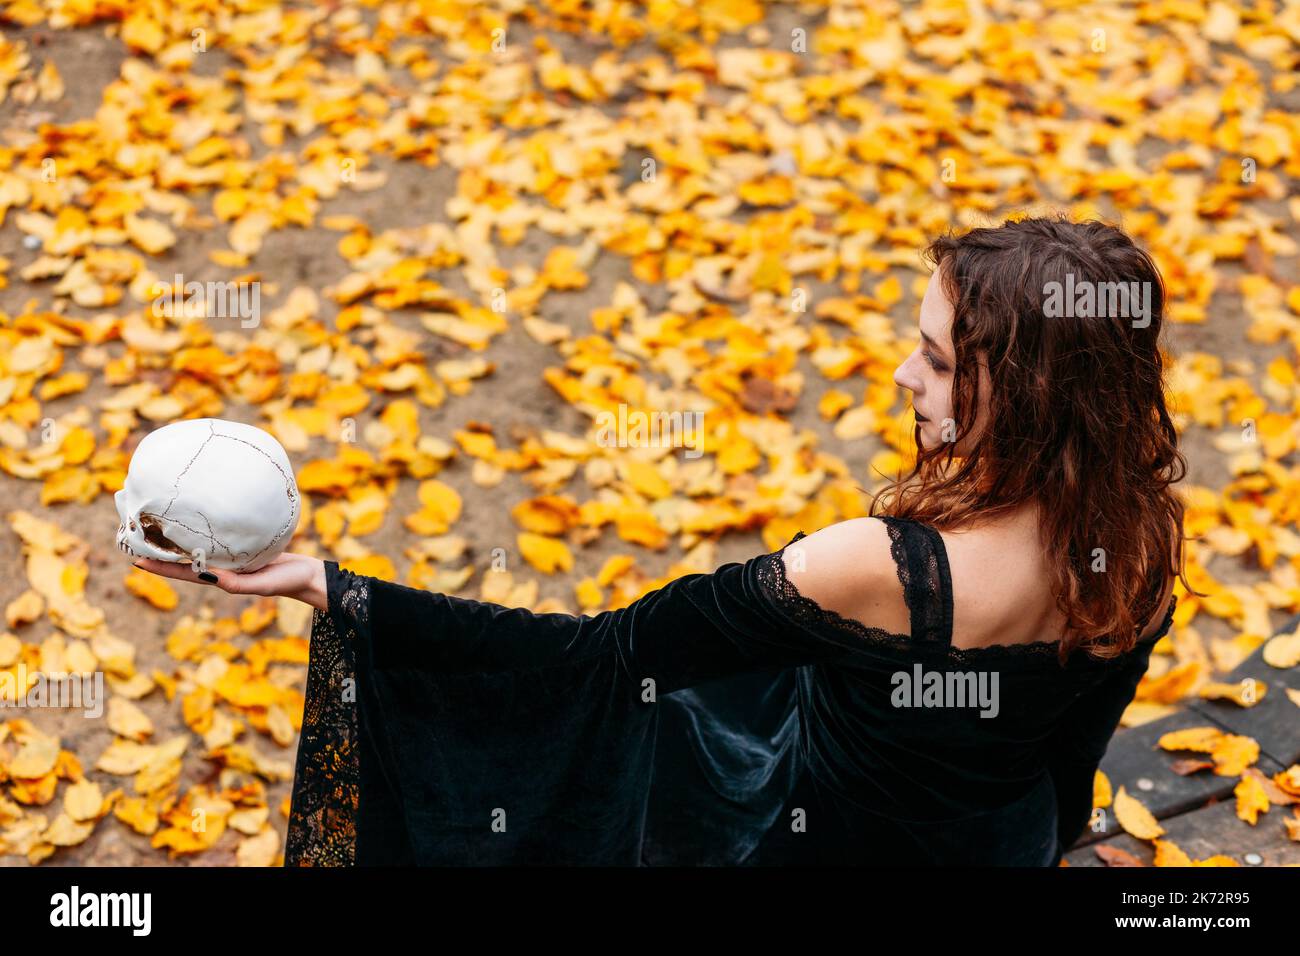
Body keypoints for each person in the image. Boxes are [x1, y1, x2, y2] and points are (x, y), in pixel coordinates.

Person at [135, 215, 1193, 866]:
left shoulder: (865, 564)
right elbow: (1068, 751)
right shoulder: (1142, 544)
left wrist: (342, 590)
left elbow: (593, 657)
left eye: (934, 359)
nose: (904, 378)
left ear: (1028, 392)